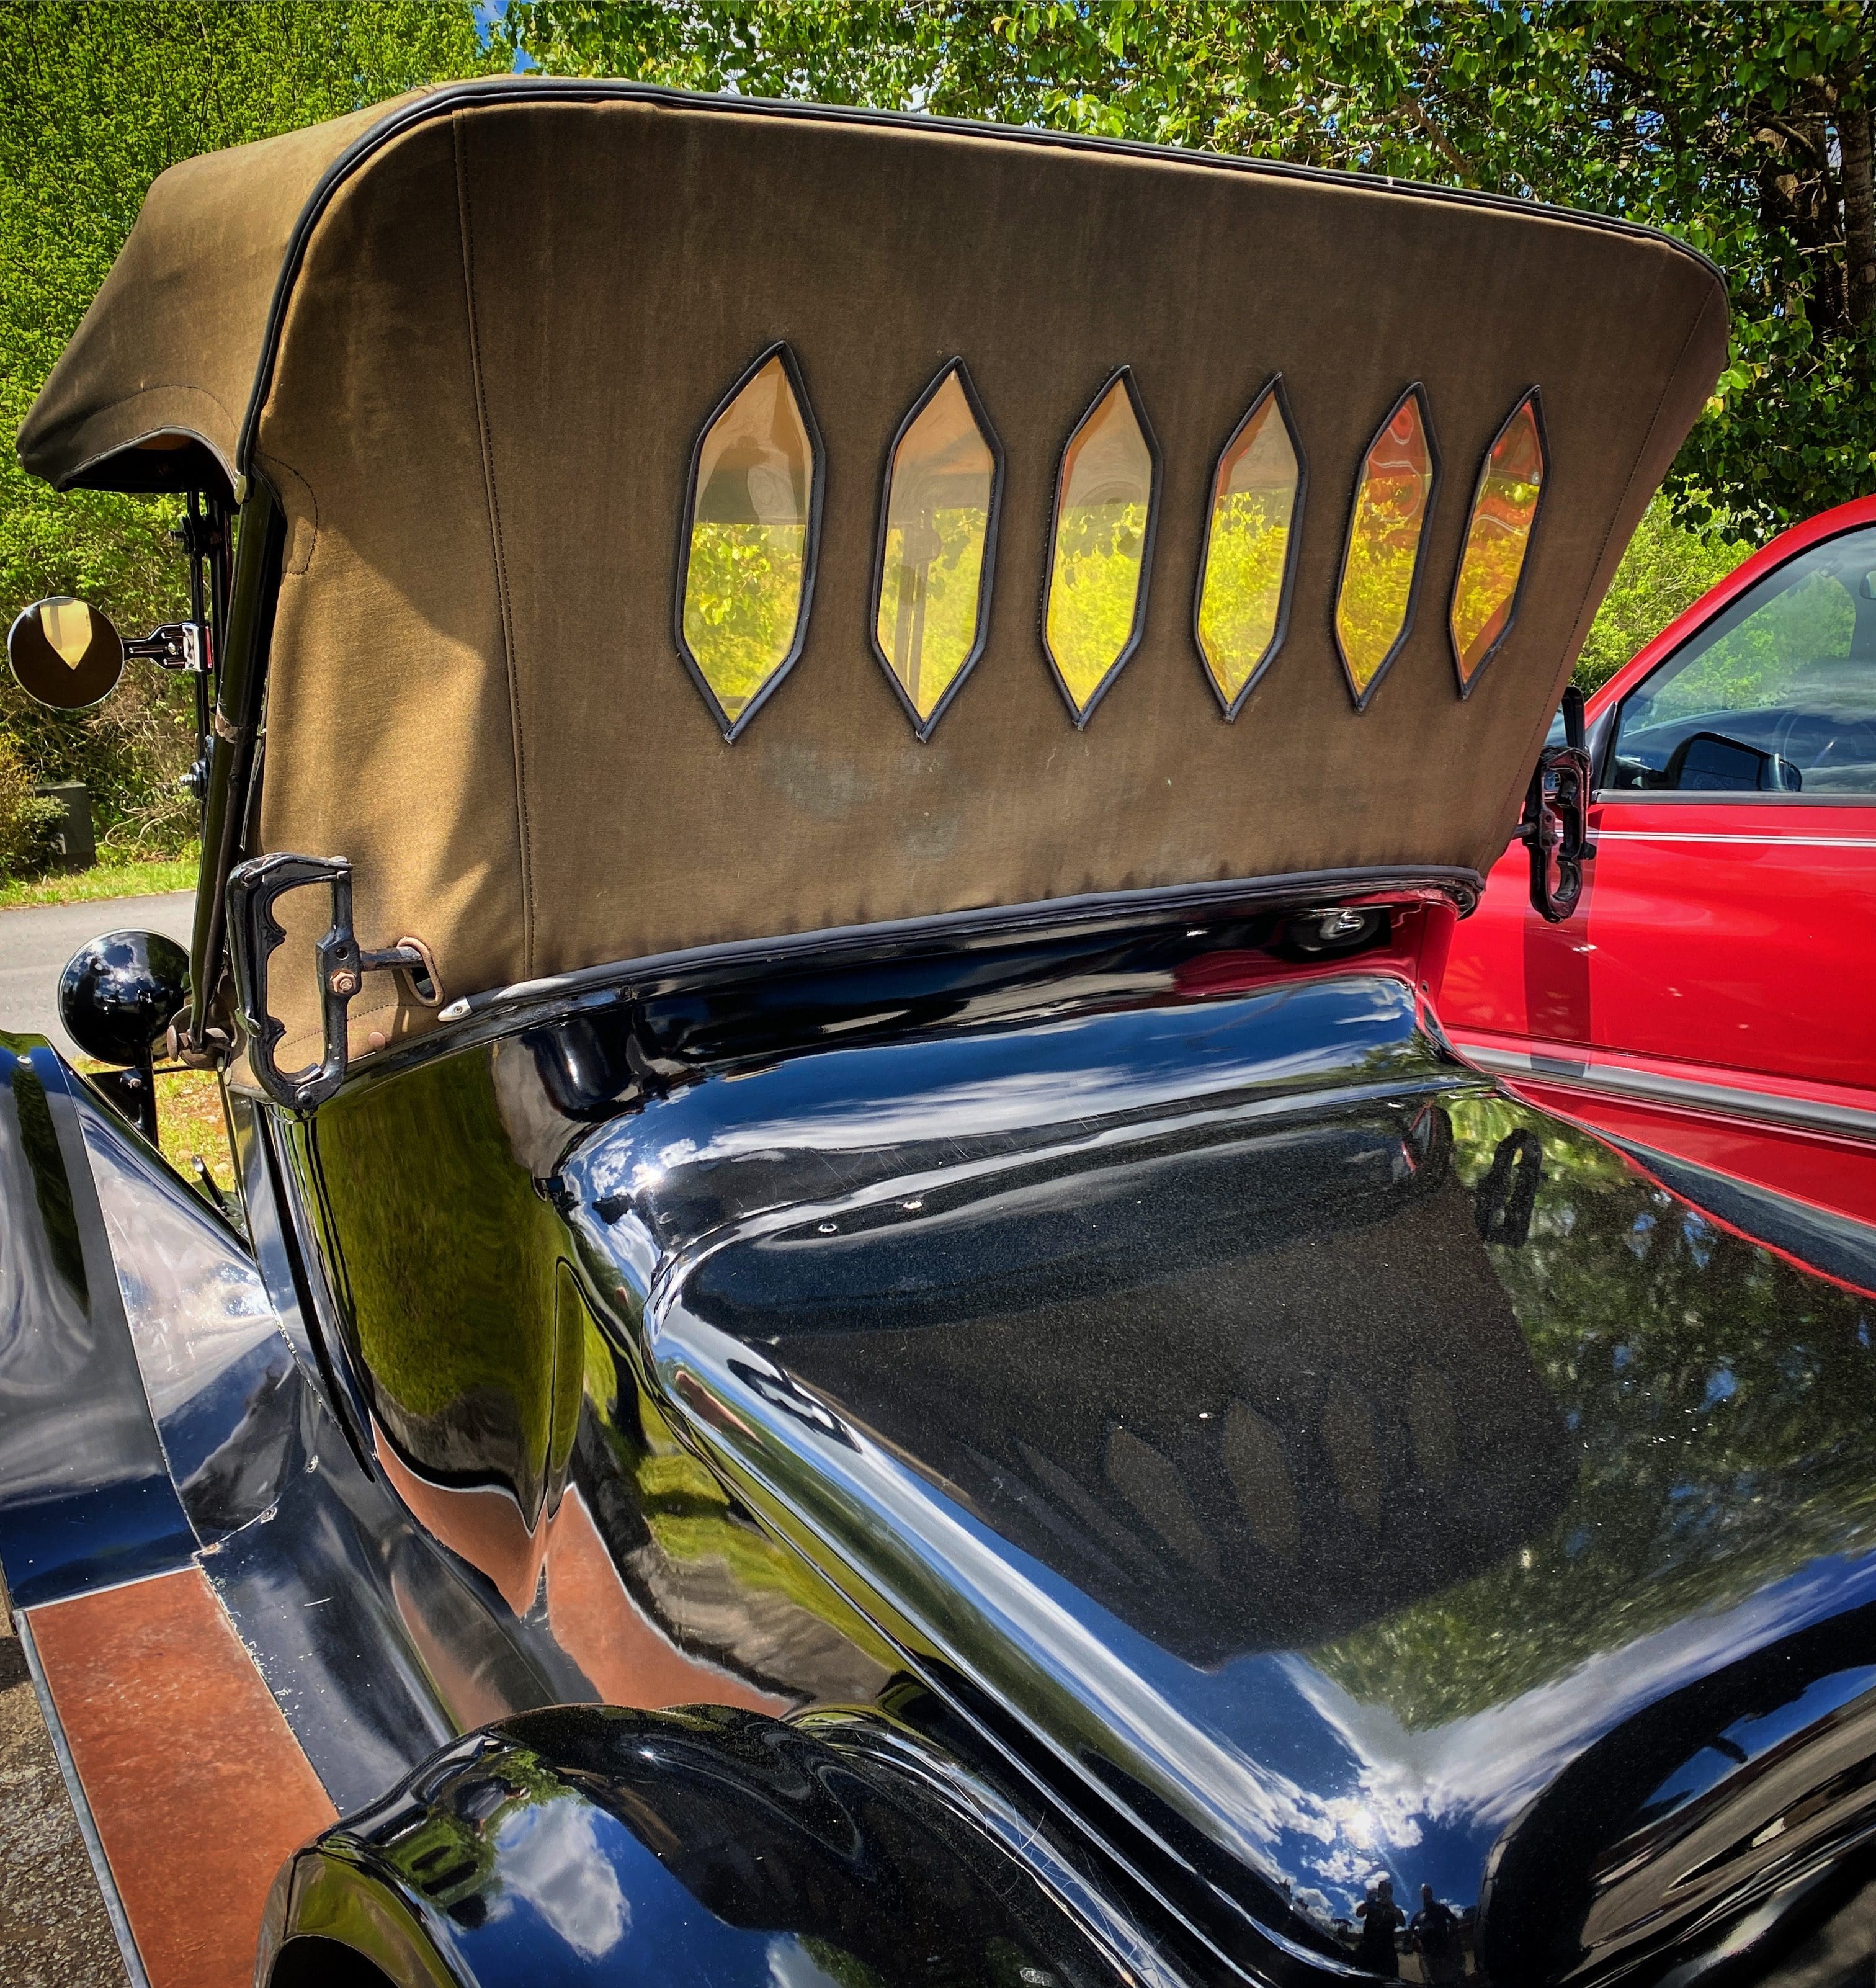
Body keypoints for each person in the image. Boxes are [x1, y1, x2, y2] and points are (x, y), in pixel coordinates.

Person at [1410, 1884, 1465, 1984]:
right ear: (1421, 1895)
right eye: (1423, 1891)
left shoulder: (1441, 1909)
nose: (1425, 1893)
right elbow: (1411, 1927)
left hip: (1443, 1951)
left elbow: (1454, 1921)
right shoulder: (1418, 1915)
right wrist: (1416, 1938)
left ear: (1431, 1893)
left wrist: (1451, 1935)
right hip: (1427, 1954)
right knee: (1432, 1981)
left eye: (1427, 1891)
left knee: (1447, 1979)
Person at [1354, 1876, 1405, 1978]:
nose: (1384, 1893)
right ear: (1379, 1892)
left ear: (1391, 1893)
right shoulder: (1372, 1904)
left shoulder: (1394, 1910)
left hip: (1386, 1953)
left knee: (1388, 1981)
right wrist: (1368, 1902)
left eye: (1387, 1891)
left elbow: (1402, 1922)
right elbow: (1359, 1914)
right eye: (1382, 1890)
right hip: (1367, 1950)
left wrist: (1392, 1906)